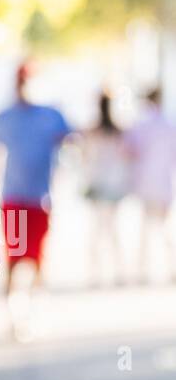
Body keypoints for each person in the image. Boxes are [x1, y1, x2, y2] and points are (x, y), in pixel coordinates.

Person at [0, 63, 72, 337]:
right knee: (14, 258)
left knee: (38, 258)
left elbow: (72, 140)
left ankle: (36, 312)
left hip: (40, 199)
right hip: (14, 197)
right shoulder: (5, 117)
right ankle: (13, 317)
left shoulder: (51, 115)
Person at [124, 88, 176, 284]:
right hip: (164, 184)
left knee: (146, 229)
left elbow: (130, 151)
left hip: (146, 184)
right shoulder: (169, 125)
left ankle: (142, 271)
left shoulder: (142, 125)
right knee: (163, 229)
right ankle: (171, 268)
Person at [80, 92, 129, 287]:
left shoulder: (92, 130)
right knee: (112, 230)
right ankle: (118, 271)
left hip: (97, 184)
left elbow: (84, 157)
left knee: (97, 230)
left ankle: (95, 272)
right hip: (113, 185)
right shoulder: (119, 131)